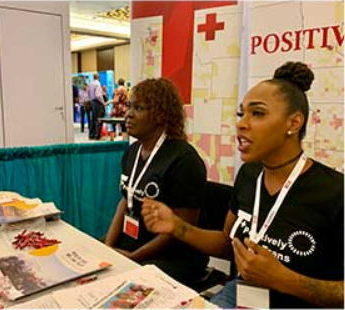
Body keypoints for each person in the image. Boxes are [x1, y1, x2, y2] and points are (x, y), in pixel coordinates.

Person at [141, 62, 344, 308]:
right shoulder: (249, 175)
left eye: (257, 113)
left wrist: (285, 280)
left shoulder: (334, 193)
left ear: (294, 123)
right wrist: (177, 227)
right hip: (240, 294)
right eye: (241, 114)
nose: (241, 124)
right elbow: (230, 243)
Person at [104, 78, 209, 286]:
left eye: (139, 108)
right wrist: (107, 247)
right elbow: (125, 201)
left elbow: (181, 228)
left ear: (161, 115)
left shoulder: (184, 160)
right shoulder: (132, 152)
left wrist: (133, 259)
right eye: (129, 106)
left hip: (171, 255)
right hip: (133, 242)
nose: (128, 114)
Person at [88, 73, 105, 140]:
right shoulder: (98, 84)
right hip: (97, 103)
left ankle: (91, 135)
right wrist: (103, 102)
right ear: (98, 77)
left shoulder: (90, 84)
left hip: (92, 102)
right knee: (98, 119)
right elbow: (98, 95)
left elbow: (88, 93)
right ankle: (97, 136)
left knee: (93, 119)